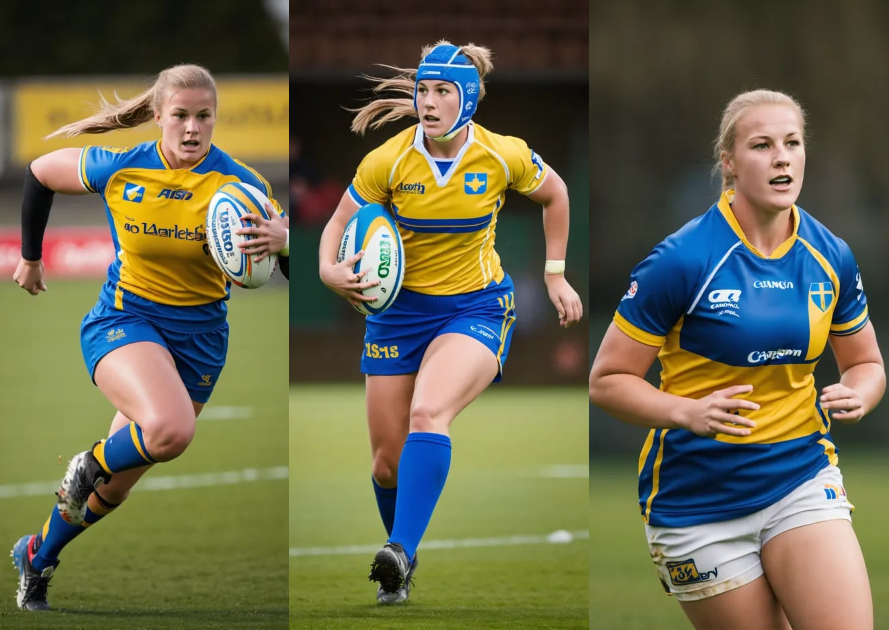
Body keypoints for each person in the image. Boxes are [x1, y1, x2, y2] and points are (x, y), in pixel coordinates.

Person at [588, 89, 883, 630]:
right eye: (762, 145)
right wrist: (686, 412)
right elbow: (607, 380)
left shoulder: (830, 254)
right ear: (728, 162)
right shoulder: (682, 260)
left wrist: (860, 392)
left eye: (792, 143)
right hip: (697, 501)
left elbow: (866, 362)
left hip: (800, 475)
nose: (782, 157)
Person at [7, 63, 288, 611]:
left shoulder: (243, 186)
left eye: (203, 117)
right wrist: (30, 258)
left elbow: (281, 273)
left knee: (112, 490)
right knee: (170, 430)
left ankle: (37, 557)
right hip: (124, 322)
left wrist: (283, 243)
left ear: (214, 119)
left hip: (200, 342)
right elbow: (40, 172)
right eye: (180, 115)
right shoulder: (122, 168)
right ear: (159, 115)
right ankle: (86, 461)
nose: (191, 128)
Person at [317, 41, 582, 604]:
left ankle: (400, 553)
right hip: (397, 315)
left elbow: (556, 194)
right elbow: (339, 222)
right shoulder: (387, 159)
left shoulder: (501, 154)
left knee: (428, 411)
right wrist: (327, 270)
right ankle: (401, 556)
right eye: (424, 90)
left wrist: (554, 275)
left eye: (444, 92)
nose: (430, 102)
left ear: (469, 100)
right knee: (387, 464)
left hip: (476, 307)